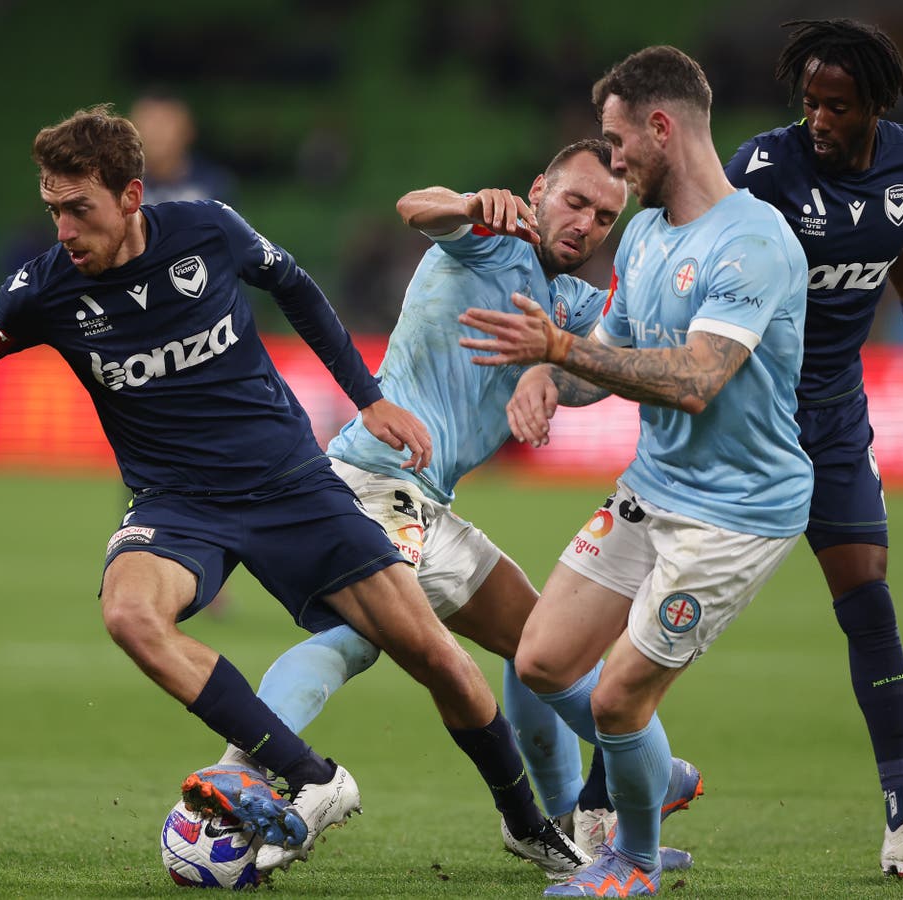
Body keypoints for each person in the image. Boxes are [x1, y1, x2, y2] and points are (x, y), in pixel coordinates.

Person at [0, 104, 575, 875]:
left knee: (436, 657)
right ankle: (313, 778)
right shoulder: (44, 289)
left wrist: (368, 397)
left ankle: (527, 821)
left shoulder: (208, 231)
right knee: (130, 616)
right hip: (177, 505)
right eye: (54, 211)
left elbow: (298, 289)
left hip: (292, 483)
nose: (65, 230)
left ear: (132, 198)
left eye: (79, 210)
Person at [221, 139, 699, 876]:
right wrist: (471, 202)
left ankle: (569, 813)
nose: (585, 224)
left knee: (541, 645)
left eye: (605, 216)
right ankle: (243, 767)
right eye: (574, 202)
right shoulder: (488, 240)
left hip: (428, 506)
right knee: (361, 639)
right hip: (375, 482)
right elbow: (418, 208)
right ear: (539, 190)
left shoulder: (573, 303)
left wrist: (551, 369)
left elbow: (606, 366)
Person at [459, 46, 812, 896]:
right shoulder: (649, 235)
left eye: (618, 143)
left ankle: (635, 863)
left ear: (661, 128)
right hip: (653, 490)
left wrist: (561, 346)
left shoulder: (753, 240)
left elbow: (695, 380)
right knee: (541, 660)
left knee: (617, 701)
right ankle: (654, 774)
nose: (613, 162)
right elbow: (607, 360)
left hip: (735, 516)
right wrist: (549, 374)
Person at [724, 19, 903, 880]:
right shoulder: (766, 168)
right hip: (749, 418)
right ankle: (600, 795)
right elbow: (697, 246)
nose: (818, 119)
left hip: (834, 417)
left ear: (877, 106)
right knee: (678, 609)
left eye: (837, 105)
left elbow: (894, 228)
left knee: (868, 597)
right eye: (810, 102)